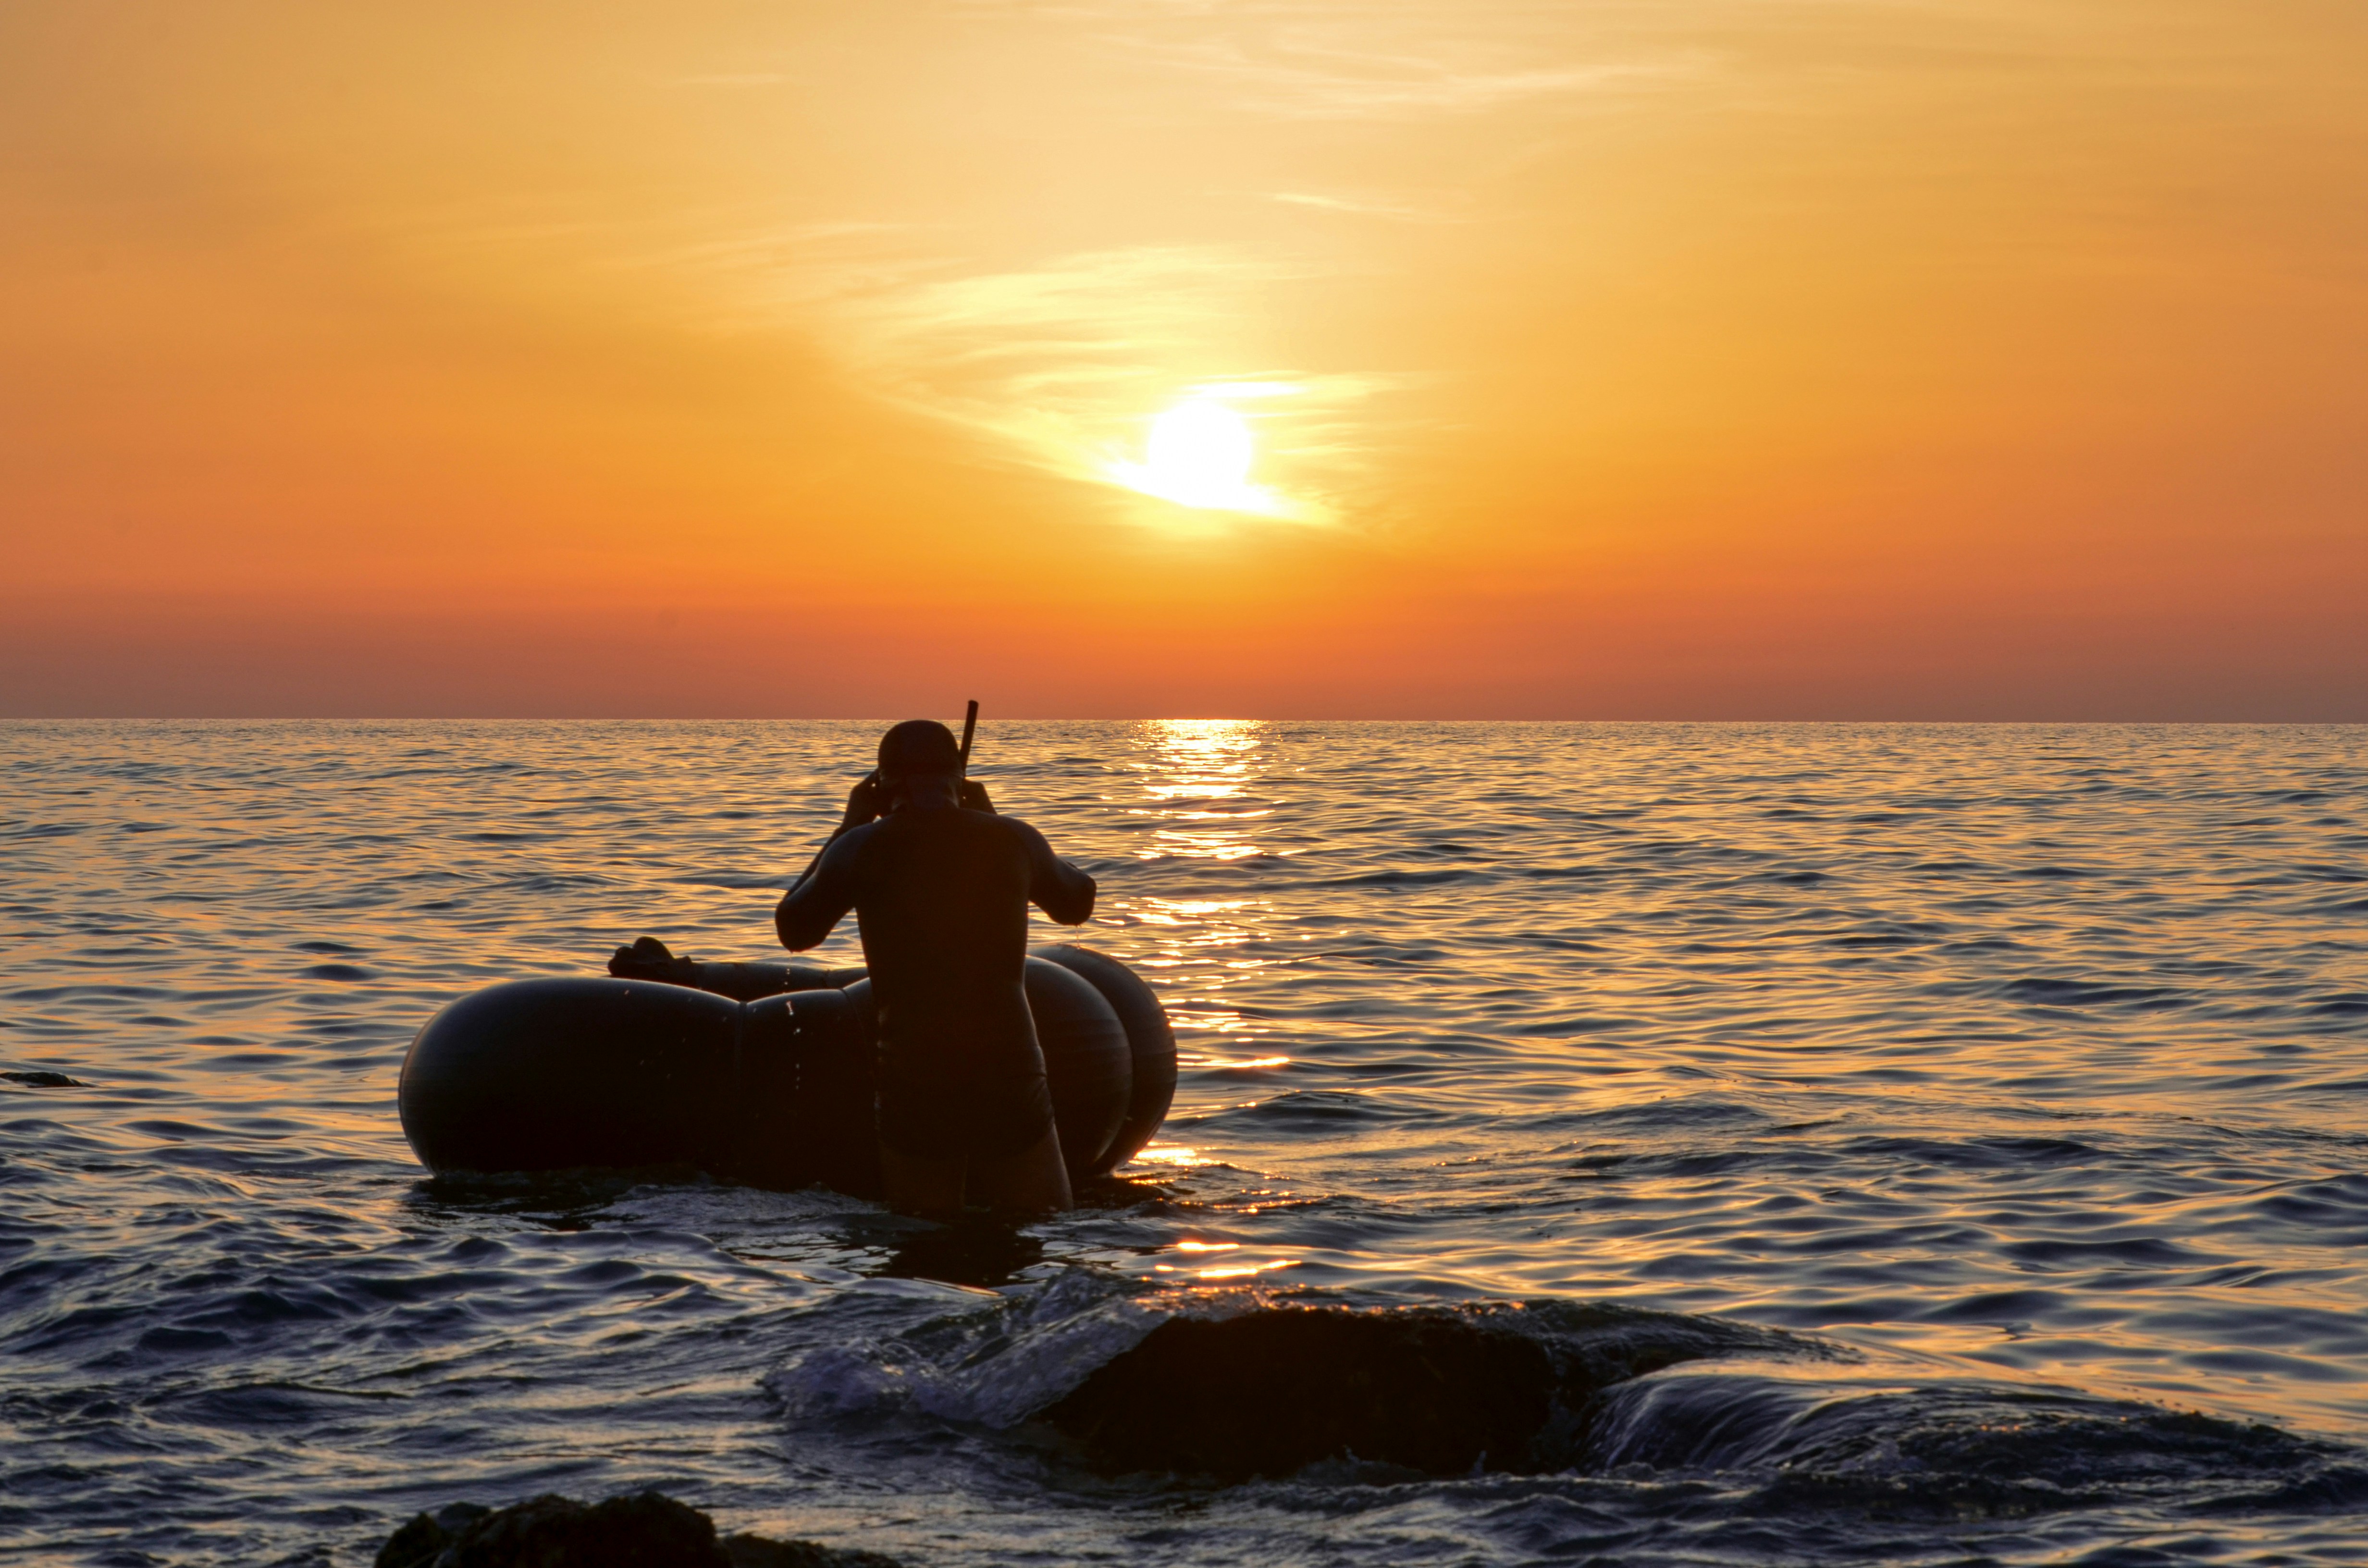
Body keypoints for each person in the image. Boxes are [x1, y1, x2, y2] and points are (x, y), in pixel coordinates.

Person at [775, 719, 1097, 1214]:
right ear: (961, 778)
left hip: (913, 1073)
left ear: (881, 786)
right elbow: (1076, 902)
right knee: (1042, 1228)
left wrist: (847, 827)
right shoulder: (1009, 840)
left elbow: (794, 929)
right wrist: (999, 822)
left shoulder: (861, 847)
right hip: (1009, 1068)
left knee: (921, 1248)